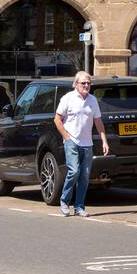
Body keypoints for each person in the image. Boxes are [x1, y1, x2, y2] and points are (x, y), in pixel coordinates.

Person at [54, 71, 110, 217]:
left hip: (87, 144)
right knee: (74, 171)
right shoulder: (68, 98)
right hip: (72, 141)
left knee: (84, 176)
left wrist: (104, 141)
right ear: (76, 84)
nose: (86, 85)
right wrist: (66, 137)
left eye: (88, 83)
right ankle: (64, 201)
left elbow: (98, 121)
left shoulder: (92, 100)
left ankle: (79, 206)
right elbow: (57, 119)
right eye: (83, 83)